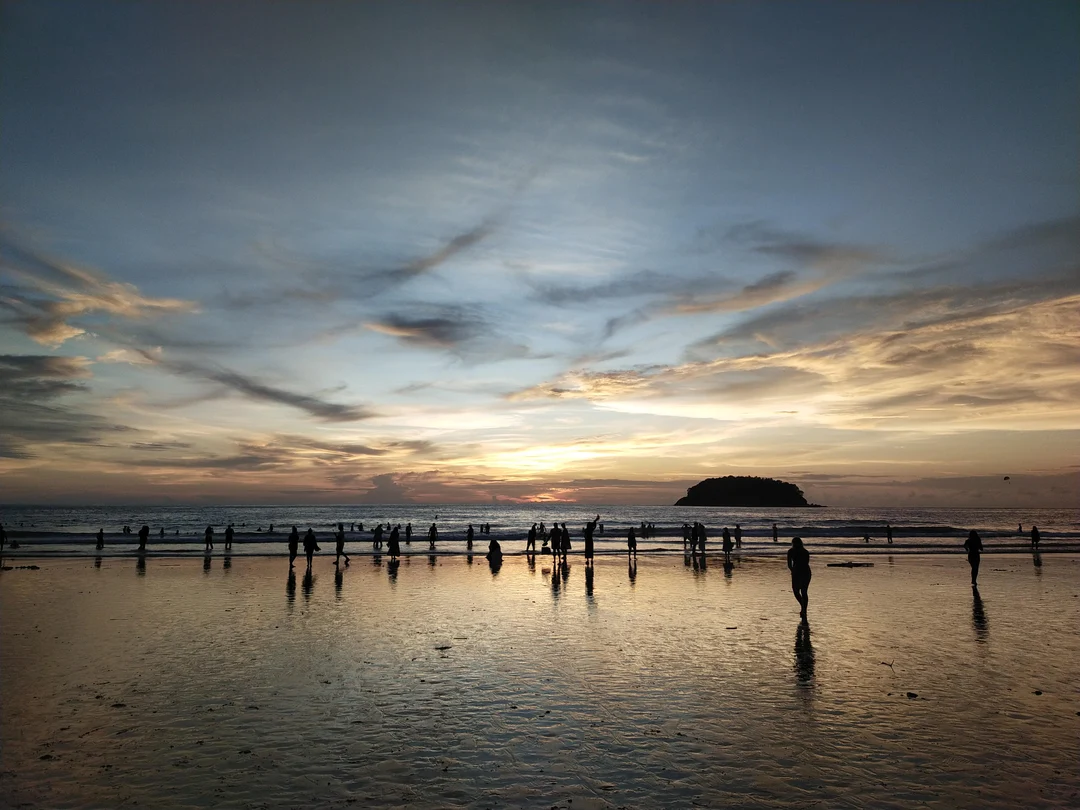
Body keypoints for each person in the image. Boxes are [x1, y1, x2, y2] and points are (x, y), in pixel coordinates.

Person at [787, 536, 811, 618]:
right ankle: (803, 608)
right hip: (805, 571)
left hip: (798, 571)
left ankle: (803, 608)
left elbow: (789, 564)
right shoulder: (805, 551)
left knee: (797, 591)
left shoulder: (791, 551)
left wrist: (793, 570)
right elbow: (806, 563)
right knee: (802, 591)